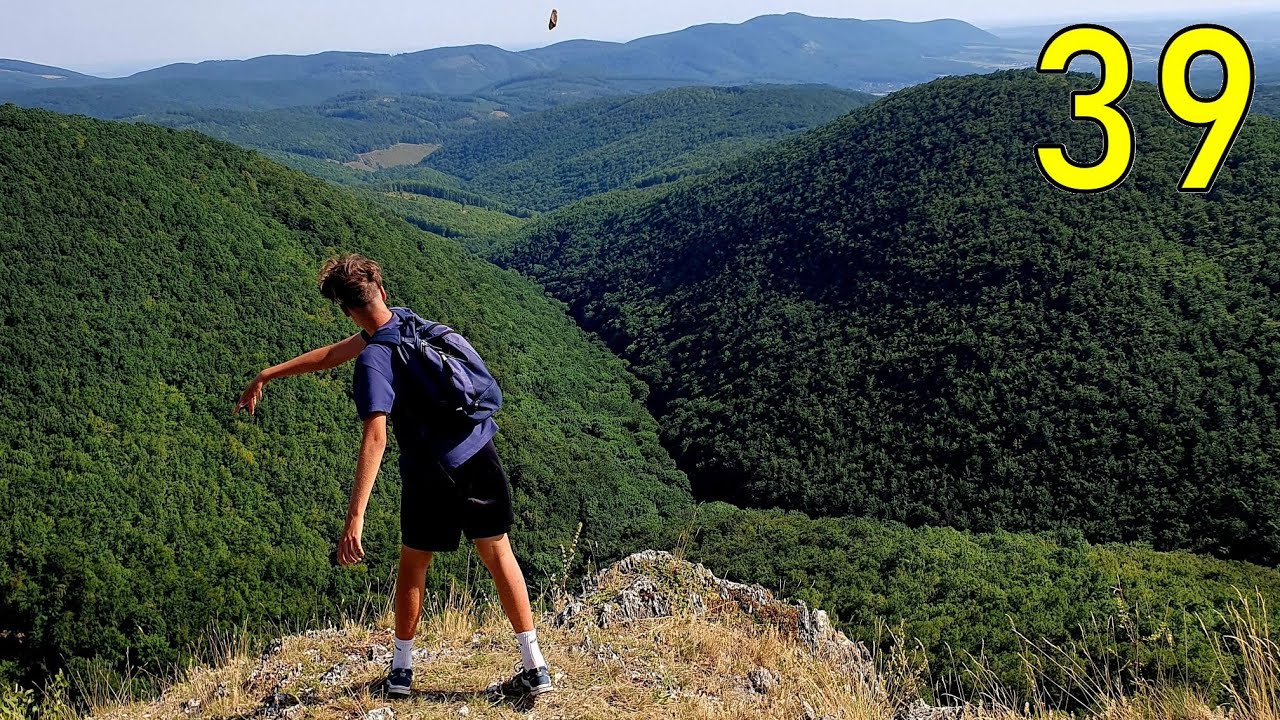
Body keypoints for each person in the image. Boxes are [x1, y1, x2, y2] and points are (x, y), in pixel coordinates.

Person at [235, 253, 553, 700]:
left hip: (430, 475)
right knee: (499, 552)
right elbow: (335, 353)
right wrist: (269, 373)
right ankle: (535, 666)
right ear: (380, 292)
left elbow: (376, 439)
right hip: (480, 451)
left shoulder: (374, 361)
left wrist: (355, 518)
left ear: (347, 310)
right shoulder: (406, 322)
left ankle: (401, 672)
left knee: (414, 562)